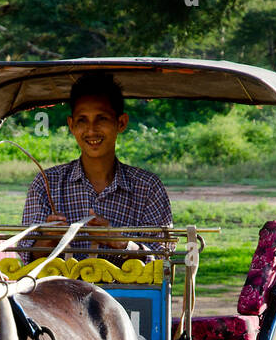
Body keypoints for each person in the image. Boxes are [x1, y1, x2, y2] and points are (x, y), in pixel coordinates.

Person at [21, 72, 171, 259]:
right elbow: (26, 255)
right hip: (60, 280)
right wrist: (49, 239)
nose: (91, 130)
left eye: (102, 118)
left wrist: (121, 243)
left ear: (121, 122)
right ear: (71, 125)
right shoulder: (46, 184)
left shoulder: (147, 187)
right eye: (82, 120)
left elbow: (162, 258)